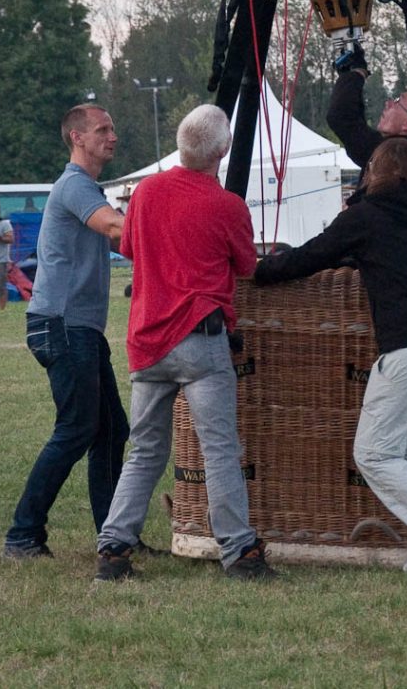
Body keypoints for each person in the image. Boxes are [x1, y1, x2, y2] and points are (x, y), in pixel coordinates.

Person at [255, 138, 407, 575]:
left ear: (373, 172)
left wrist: (260, 269)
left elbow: (309, 257)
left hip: (406, 349)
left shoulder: (365, 217)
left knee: (374, 454)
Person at [95, 105, 272, 583]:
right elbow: (247, 267)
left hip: (147, 340)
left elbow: (130, 247)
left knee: (145, 453)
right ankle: (239, 552)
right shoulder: (227, 206)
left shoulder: (147, 192)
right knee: (219, 450)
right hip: (200, 339)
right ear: (223, 151)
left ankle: (113, 550)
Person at [3, 104, 129, 560]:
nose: (112, 136)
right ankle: (22, 535)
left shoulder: (87, 188)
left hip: (80, 328)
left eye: (112, 128)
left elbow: (122, 241)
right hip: (61, 325)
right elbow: (114, 226)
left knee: (112, 430)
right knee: (77, 429)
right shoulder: (75, 186)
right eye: (103, 129)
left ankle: (114, 536)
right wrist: (166, 217)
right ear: (77, 137)